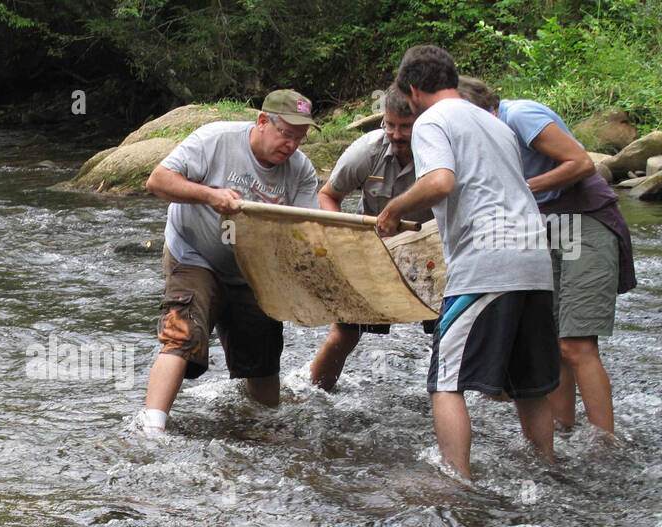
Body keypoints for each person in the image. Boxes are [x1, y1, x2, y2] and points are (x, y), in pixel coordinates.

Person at [375, 46, 559, 479]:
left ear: (414, 90)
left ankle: (457, 482)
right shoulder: (494, 124)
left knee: (445, 381)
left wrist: (392, 209)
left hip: (486, 264)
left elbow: (440, 182)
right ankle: (546, 472)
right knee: (530, 386)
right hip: (535, 262)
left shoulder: (433, 120)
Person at [457, 76, 635, 436]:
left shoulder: (520, 115)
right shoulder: (477, 137)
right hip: (545, 228)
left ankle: (606, 447)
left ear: (483, 111)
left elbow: (582, 163)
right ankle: (564, 432)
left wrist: (520, 188)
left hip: (585, 219)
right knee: (552, 342)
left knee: (577, 343)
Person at [136, 89, 321, 436]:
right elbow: (158, 181)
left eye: (300, 138)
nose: (292, 146)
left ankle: (263, 428)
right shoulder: (216, 139)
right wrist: (210, 195)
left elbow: (308, 230)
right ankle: (152, 429)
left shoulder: (301, 171)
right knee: (182, 332)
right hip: (194, 252)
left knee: (263, 354)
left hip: (253, 268)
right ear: (263, 122)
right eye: (286, 134)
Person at [309, 86, 435, 391]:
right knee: (347, 330)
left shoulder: (440, 151)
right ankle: (315, 391)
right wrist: (345, 244)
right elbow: (327, 196)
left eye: (405, 126)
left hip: (433, 252)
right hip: (376, 250)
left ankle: (456, 395)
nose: (396, 134)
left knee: (450, 330)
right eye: (390, 124)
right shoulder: (367, 150)